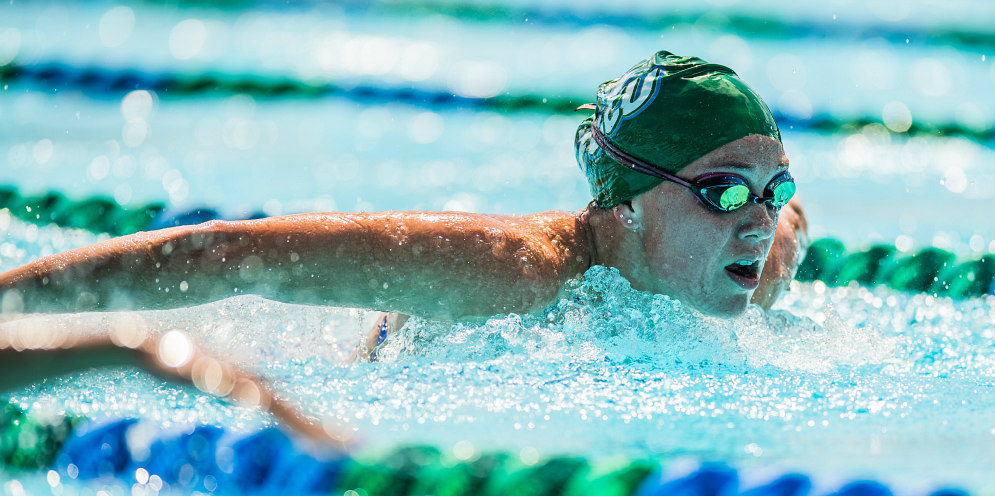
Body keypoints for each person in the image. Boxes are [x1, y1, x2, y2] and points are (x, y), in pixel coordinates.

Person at [0, 51, 807, 436]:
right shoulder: (510, 273)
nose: (758, 220)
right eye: (724, 191)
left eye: (772, 189)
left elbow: (792, 225)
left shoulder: (744, 268)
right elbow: (226, 253)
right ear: (624, 204)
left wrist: (768, 203)